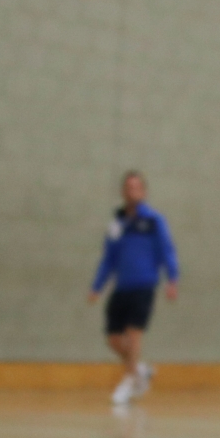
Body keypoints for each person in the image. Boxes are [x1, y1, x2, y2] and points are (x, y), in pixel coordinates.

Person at [89, 170, 178, 406]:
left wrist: (172, 278)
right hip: (122, 286)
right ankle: (140, 370)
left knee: (133, 335)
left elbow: (166, 250)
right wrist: (97, 286)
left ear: (144, 192)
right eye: (129, 188)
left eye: (137, 187)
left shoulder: (154, 221)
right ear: (122, 192)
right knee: (113, 339)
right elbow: (109, 258)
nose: (133, 192)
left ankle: (129, 382)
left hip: (144, 285)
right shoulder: (117, 224)